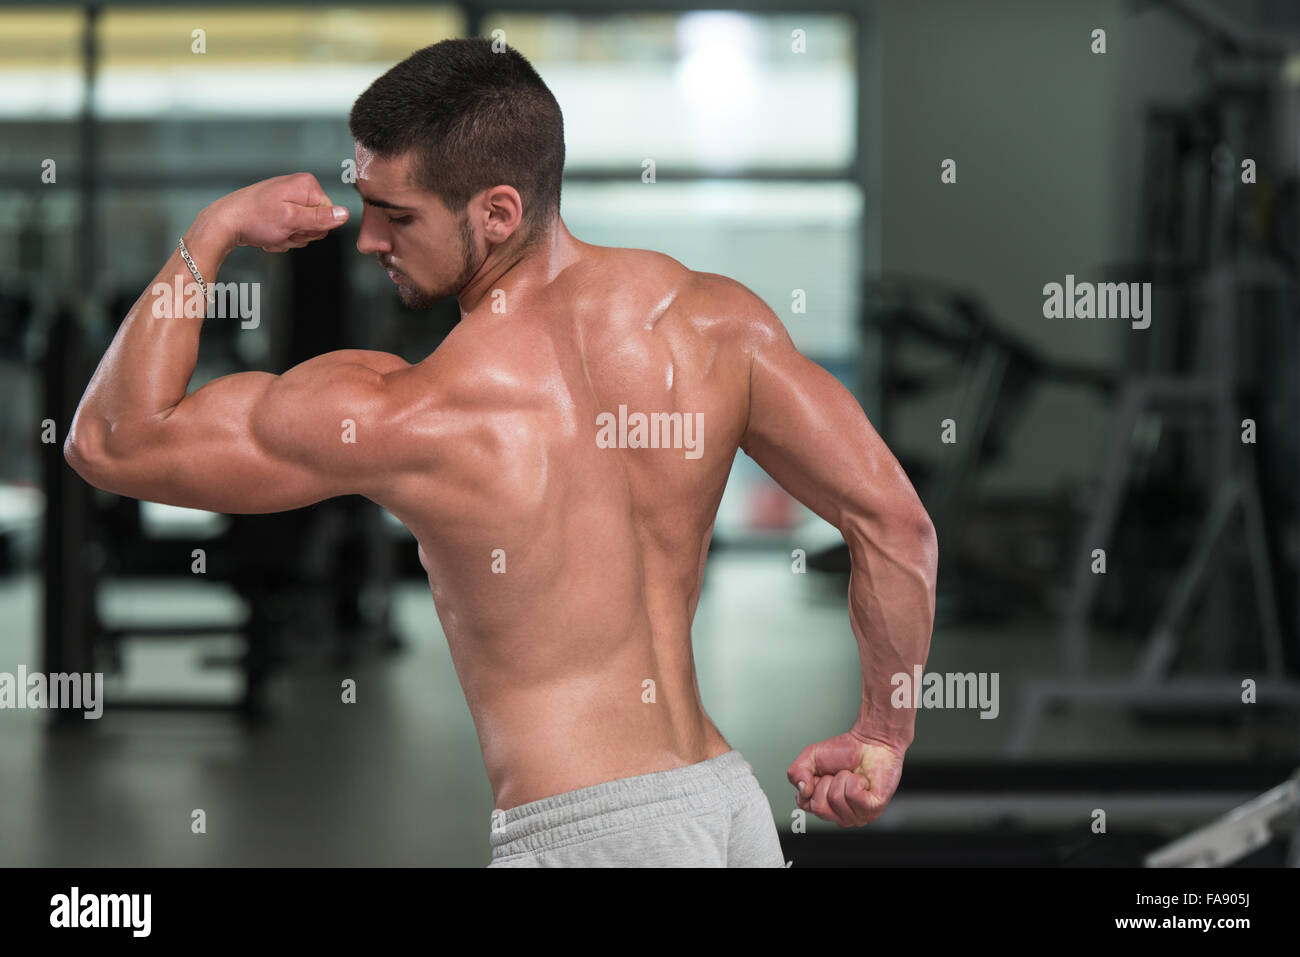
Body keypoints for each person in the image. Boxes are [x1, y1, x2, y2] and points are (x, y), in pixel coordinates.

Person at [64, 38, 937, 867]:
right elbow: (896, 524)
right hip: (726, 808)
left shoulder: (416, 410)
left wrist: (210, 233)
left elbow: (110, 440)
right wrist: (881, 734)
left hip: (589, 834)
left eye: (396, 215)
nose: (368, 241)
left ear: (498, 211)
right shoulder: (716, 323)